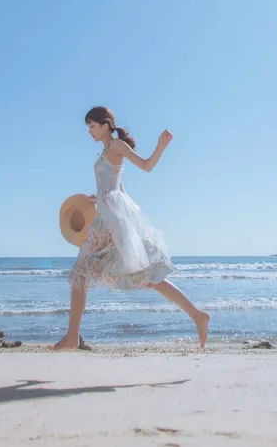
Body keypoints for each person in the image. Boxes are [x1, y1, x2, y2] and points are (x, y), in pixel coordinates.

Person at [53, 106, 210, 350]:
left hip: (110, 221)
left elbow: (146, 166)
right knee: (139, 276)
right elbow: (115, 185)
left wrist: (160, 147)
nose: (90, 131)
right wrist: (98, 196)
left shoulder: (117, 146)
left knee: (85, 273)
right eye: (88, 127)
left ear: (105, 125)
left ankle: (72, 336)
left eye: (92, 126)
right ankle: (197, 315)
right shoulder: (106, 149)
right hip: (106, 215)